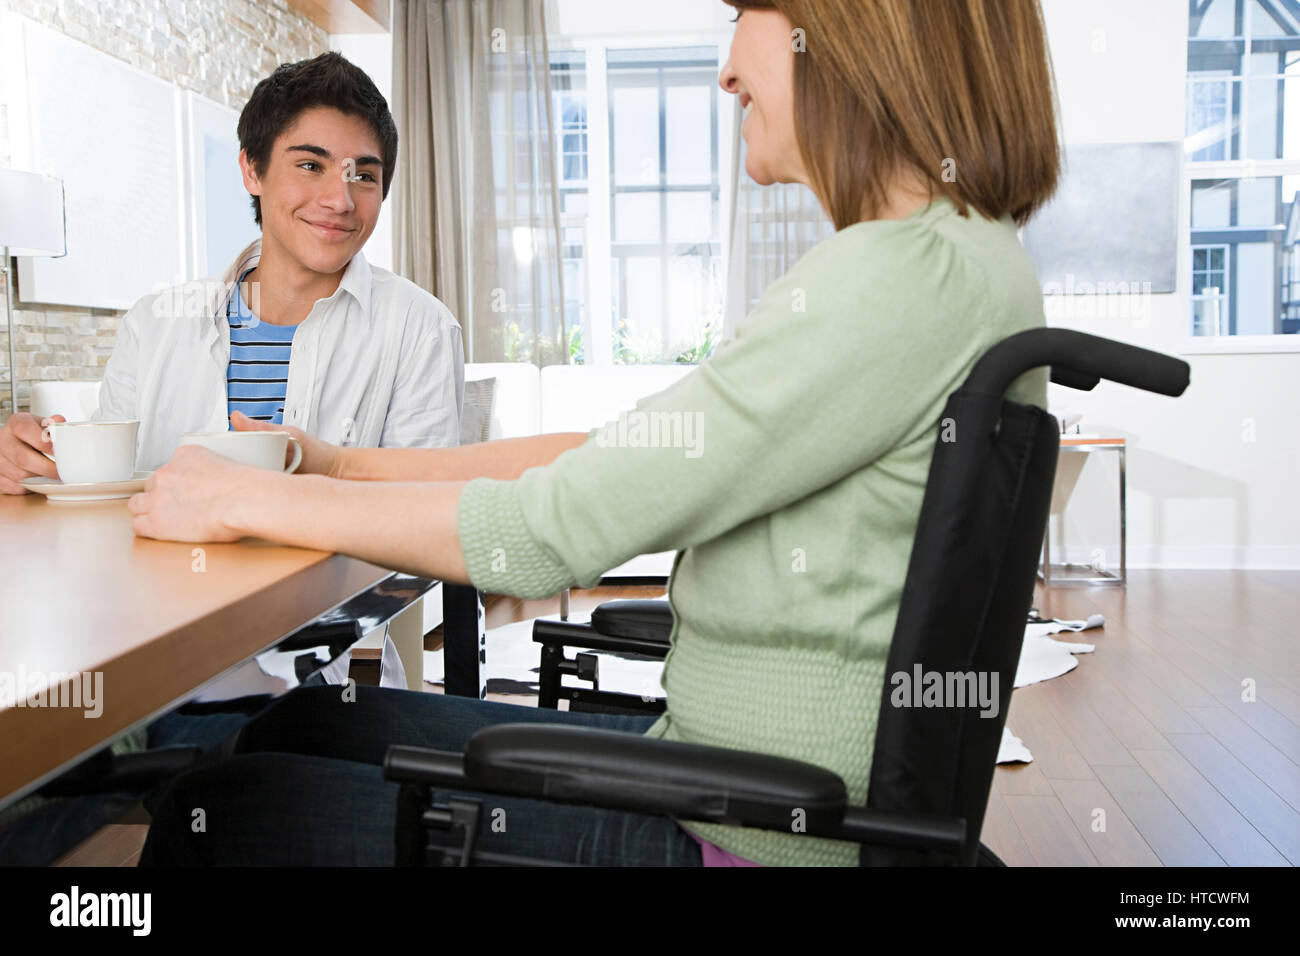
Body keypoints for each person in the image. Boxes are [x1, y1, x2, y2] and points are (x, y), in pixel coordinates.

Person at [136, 0, 1060, 867]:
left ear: (859, 29)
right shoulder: (957, 261)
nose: (728, 73)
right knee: (302, 725)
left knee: (215, 809)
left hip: (750, 823)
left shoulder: (896, 278)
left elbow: (546, 535)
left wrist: (251, 493)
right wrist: (340, 465)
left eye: (745, 19)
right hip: (739, 771)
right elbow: (617, 457)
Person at [0, 51, 462, 866]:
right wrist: (32, 462)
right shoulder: (161, 320)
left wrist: (304, 482)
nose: (340, 197)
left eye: (365, 174)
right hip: (146, 651)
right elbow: (104, 485)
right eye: (310, 164)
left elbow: (434, 524)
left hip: (312, 667)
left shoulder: (416, 328)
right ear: (251, 169)